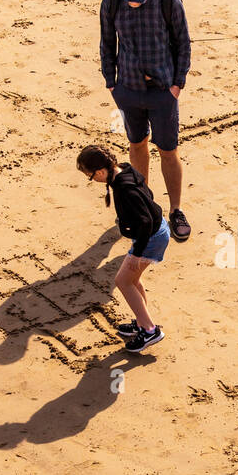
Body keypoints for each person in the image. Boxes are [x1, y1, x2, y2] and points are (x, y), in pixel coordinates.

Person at [99, 0, 193, 242]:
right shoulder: (112, 1)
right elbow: (106, 43)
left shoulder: (168, 1)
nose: (133, 3)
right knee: (136, 144)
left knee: (168, 149)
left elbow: (183, 44)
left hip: (163, 91)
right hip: (128, 89)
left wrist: (177, 85)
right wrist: (111, 83)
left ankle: (175, 210)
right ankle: (144, 205)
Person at [76, 144, 168, 352]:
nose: (93, 181)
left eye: (91, 177)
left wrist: (137, 253)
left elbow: (144, 222)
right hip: (157, 230)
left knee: (122, 281)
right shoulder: (125, 169)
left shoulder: (124, 188)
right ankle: (142, 320)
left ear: (100, 171)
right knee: (132, 280)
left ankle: (149, 330)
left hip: (151, 238)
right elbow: (149, 194)